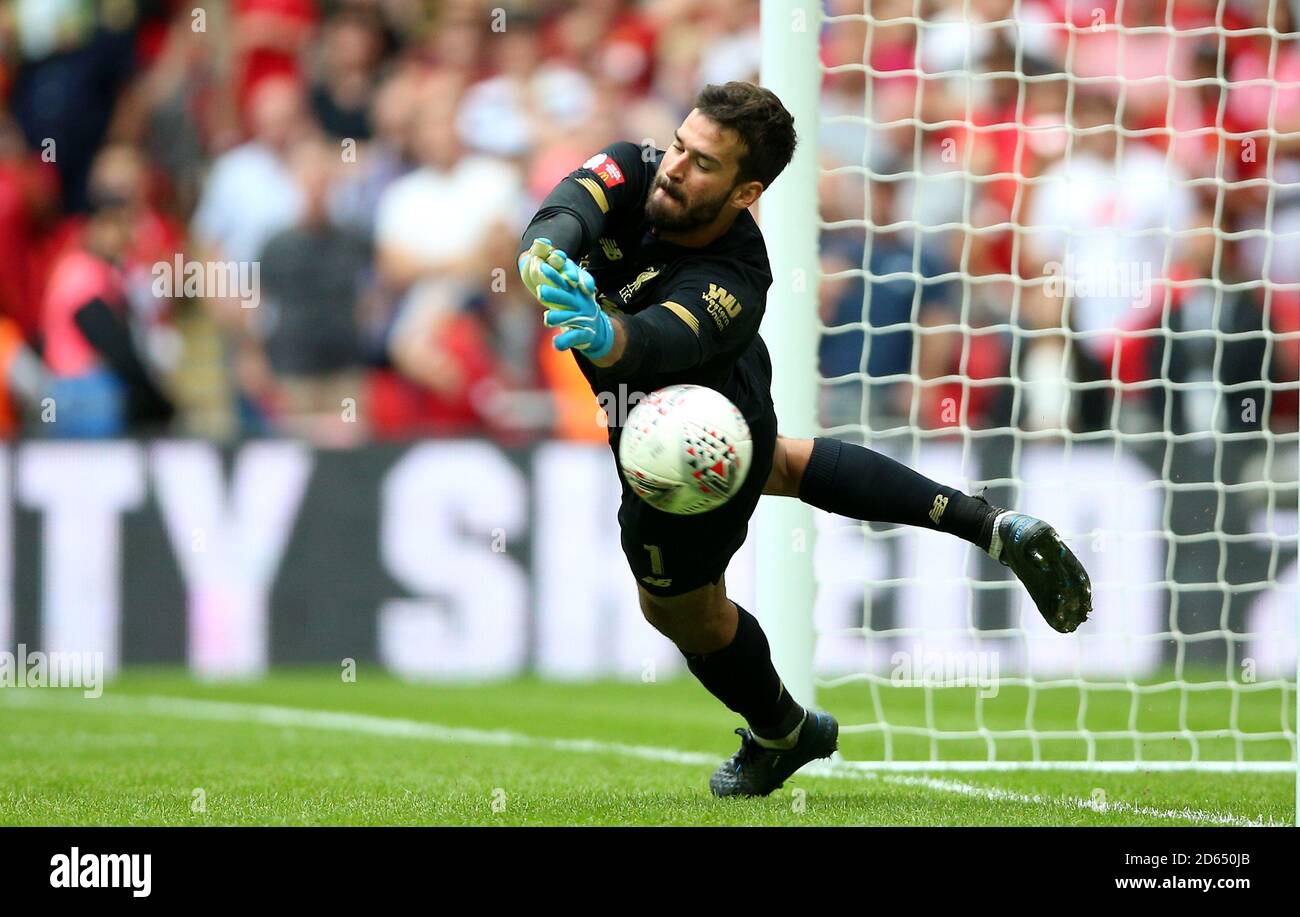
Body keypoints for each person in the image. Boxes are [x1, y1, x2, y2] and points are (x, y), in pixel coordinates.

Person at [516, 81, 1092, 798]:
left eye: (703, 164)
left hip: (690, 431)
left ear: (742, 191)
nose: (675, 166)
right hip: (723, 401)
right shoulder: (635, 166)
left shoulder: (735, 278)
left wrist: (609, 332)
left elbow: (656, 343)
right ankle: (988, 522)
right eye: (680, 146)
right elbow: (563, 211)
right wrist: (542, 257)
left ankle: (783, 730)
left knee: (674, 607)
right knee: (781, 462)